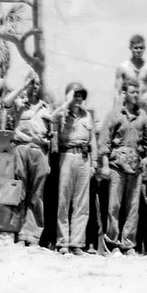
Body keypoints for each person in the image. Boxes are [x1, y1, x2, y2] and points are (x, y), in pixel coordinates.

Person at [98, 80, 147, 255]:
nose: (135, 95)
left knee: (133, 207)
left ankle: (128, 244)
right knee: (113, 206)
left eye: (138, 92)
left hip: (135, 167)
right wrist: (105, 165)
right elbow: (104, 142)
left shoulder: (143, 116)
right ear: (124, 94)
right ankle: (112, 244)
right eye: (132, 92)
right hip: (116, 166)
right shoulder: (114, 115)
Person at [11, 76, 54, 246]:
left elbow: (51, 137)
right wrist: (23, 85)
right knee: (20, 192)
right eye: (31, 83)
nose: (34, 87)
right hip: (21, 149)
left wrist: (48, 160)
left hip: (39, 152)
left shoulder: (46, 109)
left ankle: (34, 235)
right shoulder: (19, 104)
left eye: (37, 84)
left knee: (37, 196)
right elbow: (6, 103)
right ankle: (20, 234)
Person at [54, 82, 96, 254]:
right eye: (75, 94)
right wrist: (66, 102)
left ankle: (77, 243)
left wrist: (94, 162)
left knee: (81, 203)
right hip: (67, 156)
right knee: (64, 200)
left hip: (84, 158)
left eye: (80, 95)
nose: (78, 98)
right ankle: (62, 241)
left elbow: (92, 138)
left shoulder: (87, 116)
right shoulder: (61, 113)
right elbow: (51, 118)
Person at [114, 35, 147, 109]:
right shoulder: (123, 67)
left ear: (144, 48)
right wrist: (115, 111)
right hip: (128, 107)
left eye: (141, 48)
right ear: (131, 48)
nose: (138, 50)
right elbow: (117, 92)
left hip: (144, 106)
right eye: (136, 48)